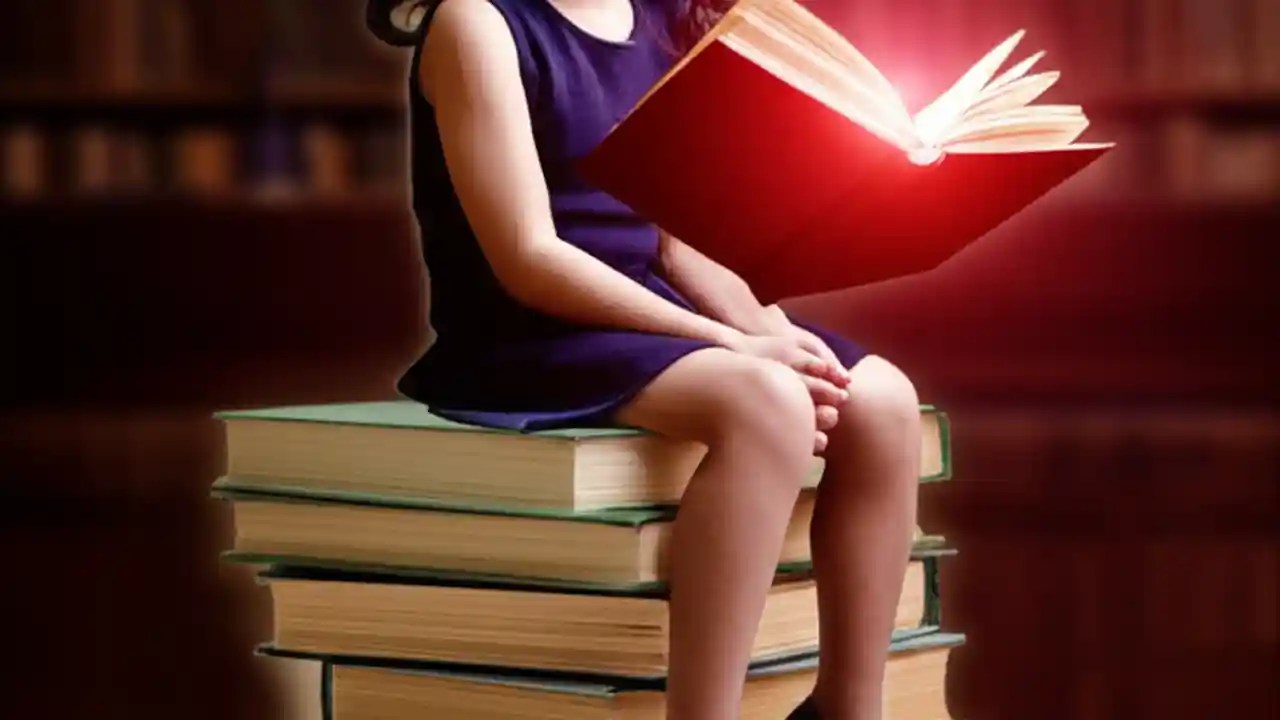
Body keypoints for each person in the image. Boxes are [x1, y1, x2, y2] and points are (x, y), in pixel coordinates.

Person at [367, 1, 922, 717]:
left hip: (650, 307)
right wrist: (732, 345)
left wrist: (770, 330)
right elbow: (528, 258)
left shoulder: (657, 16)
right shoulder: (476, 22)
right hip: (526, 330)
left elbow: (674, 245)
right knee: (768, 401)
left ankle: (848, 707)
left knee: (882, 400)